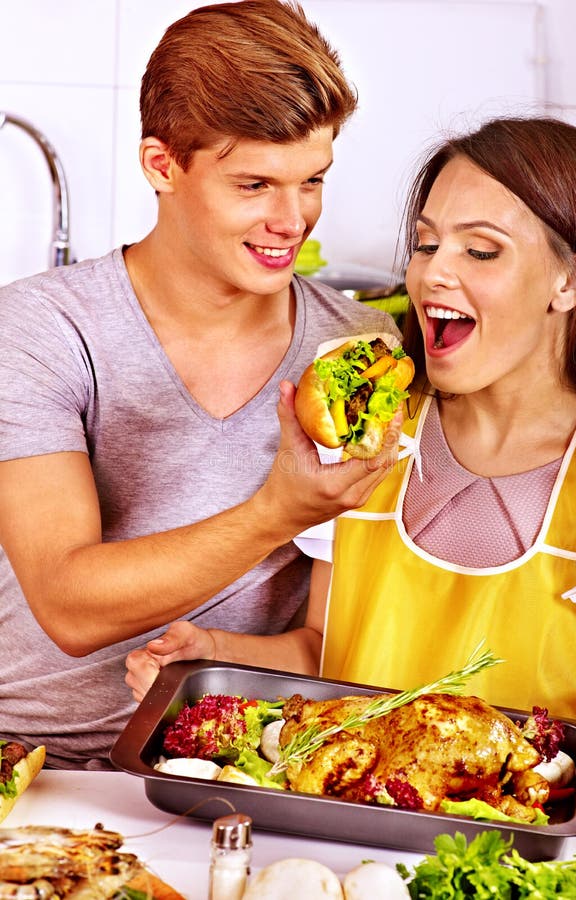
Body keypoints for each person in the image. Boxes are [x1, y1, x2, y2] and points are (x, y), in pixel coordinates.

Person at [126, 116, 576, 790]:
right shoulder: (368, 440)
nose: (432, 273)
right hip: (345, 829)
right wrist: (210, 654)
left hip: (524, 858)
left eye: (480, 252)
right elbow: (325, 650)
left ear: (569, 281)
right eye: (425, 244)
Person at [0, 0, 402, 769]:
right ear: (161, 165)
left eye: (312, 180)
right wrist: (276, 511)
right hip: (35, 763)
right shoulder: (38, 328)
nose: (293, 220)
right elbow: (67, 605)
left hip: (249, 767)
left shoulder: (361, 351)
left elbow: (332, 641)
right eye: (254, 184)